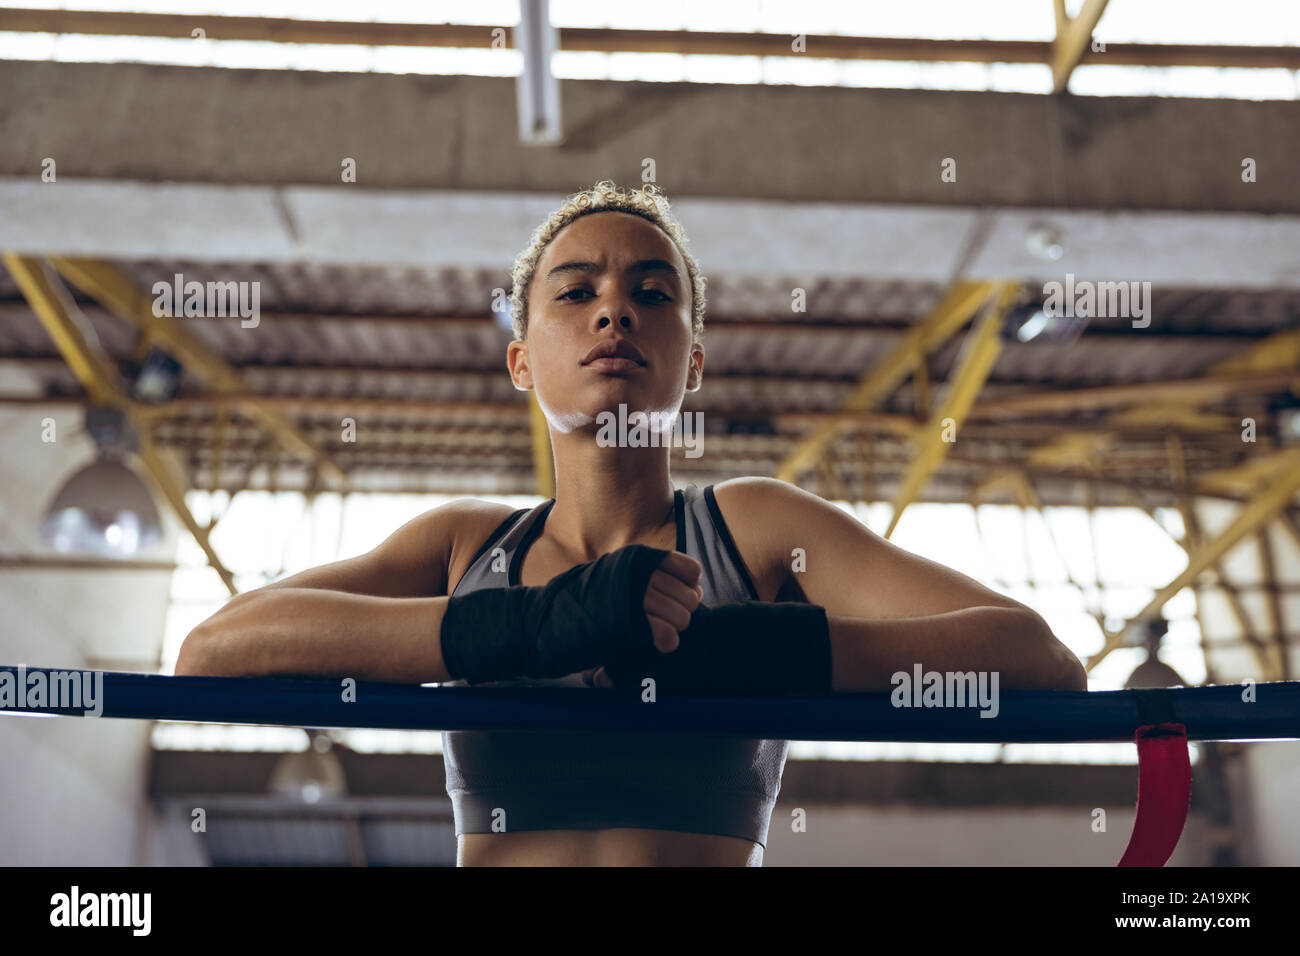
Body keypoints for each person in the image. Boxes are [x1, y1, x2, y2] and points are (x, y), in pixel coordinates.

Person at [176, 180, 1087, 866]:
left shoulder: (755, 527)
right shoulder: (465, 545)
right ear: (522, 361)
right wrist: (533, 624)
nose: (614, 309)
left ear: (692, 363)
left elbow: (1042, 663)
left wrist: (745, 652)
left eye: (652, 292)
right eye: (576, 293)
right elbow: (211, 653)